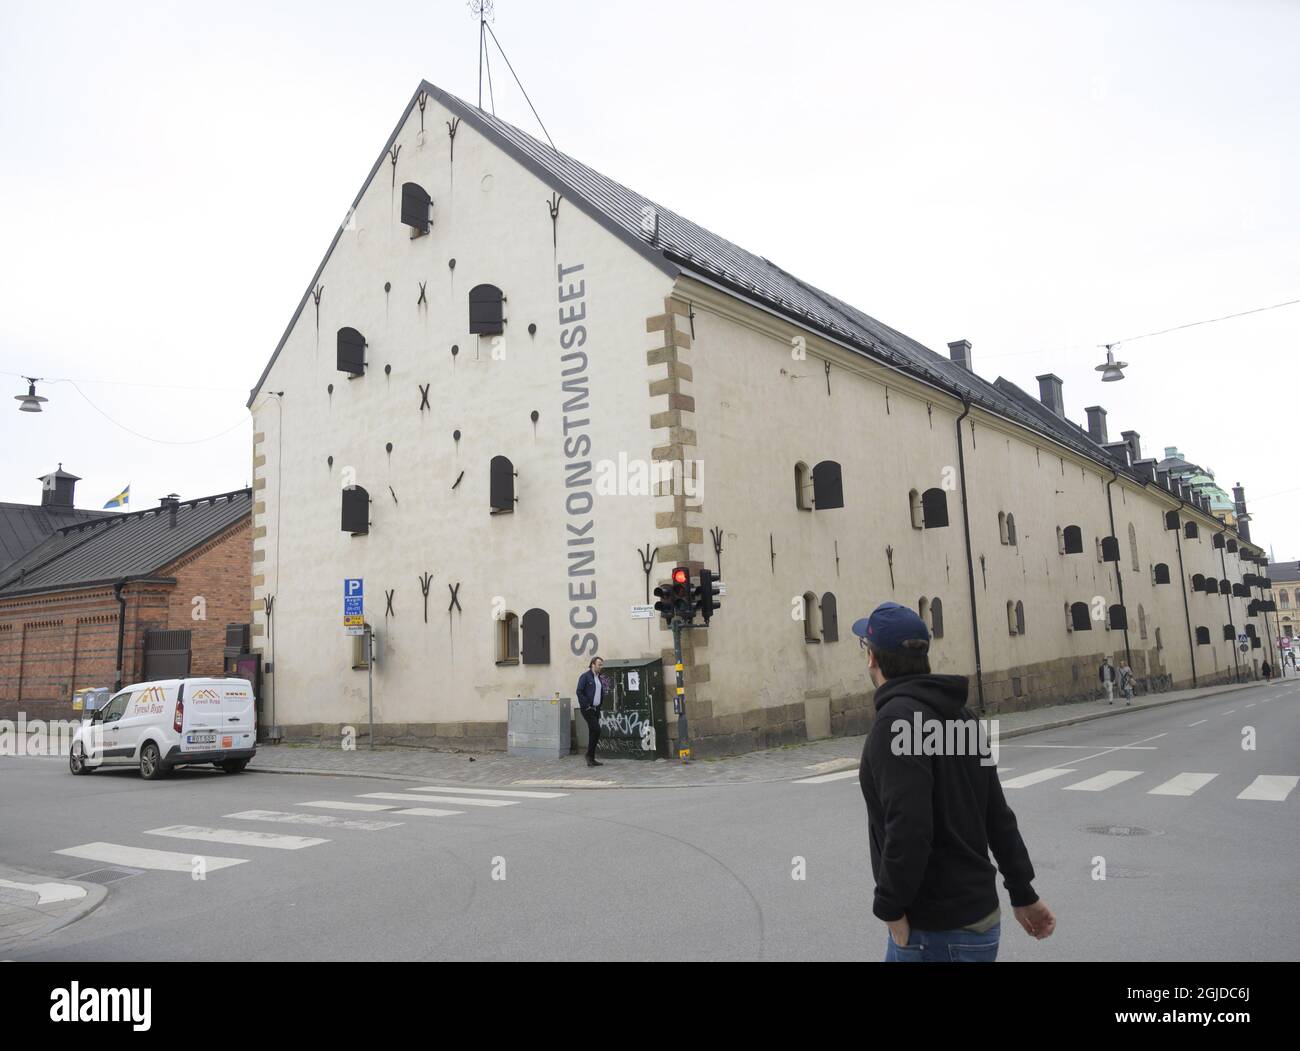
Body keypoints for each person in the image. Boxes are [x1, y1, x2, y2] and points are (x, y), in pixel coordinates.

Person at [853, 603, 1055, 963]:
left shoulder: (894, 721)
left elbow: (910, 826)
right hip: (978, 919)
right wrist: (1022, 892)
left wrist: (890, 906)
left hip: (932, 930)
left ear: (872, 658)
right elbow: (996, 813)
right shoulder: (960, 715)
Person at [575, 656, 609, 767]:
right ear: (593, 665)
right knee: (597, 730)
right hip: (588, 709)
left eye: (602, 664)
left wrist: (599, 706)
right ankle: (589, 755)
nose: (601, 667)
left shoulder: (599, 678)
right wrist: (587, 705)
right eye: (599, 664)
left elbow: (599, 694)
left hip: (596, 710)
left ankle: (591, 758)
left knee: (593, 732)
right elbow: (579, 691)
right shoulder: (585, 677)